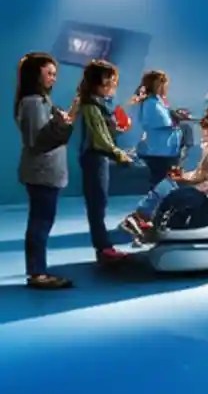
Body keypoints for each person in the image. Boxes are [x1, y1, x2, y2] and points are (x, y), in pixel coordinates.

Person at [120, 109, 208, 243]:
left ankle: (142, 218)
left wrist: (182, 178)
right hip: (207, 190)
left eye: (207, 129)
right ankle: (142, 218)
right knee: (169, 182)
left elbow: (206, 177)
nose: (203, 132)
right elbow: (203, 174)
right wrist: (183, 176)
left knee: (167, 184)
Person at [15, 52, 78, 290]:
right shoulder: (33, 103)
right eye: (49, 73)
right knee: (40, 222)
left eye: (55, 74)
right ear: (35, 74)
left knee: (41, 221)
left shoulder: (41, 101)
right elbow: (38, 140)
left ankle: (37, 271)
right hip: (42, 172)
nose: (53, 78)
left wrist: (62, 120)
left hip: (47, 171)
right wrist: (61, 123)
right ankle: (37, 273)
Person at [75, 59, 132, 264]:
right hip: (94, 158)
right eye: (109, 81)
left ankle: (104, 247)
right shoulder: (91, 105)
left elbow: (105, 133)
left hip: (98, 157)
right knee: (97, 204)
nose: (112, 86)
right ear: (98, 82)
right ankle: (103, 248)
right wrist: (119, 154)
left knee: (99, 203)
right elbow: (100, 139)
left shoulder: (98, 104)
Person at [131, 70, 189, 187]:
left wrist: (175, 114)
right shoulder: (151, 104)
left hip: (167, 152)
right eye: (164, 85)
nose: (166, 88)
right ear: (157, 85)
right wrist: (177, 118)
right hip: (160, 153)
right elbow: (165, 123)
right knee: (162, 186)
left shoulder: (159, 102)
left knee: (167, 186)